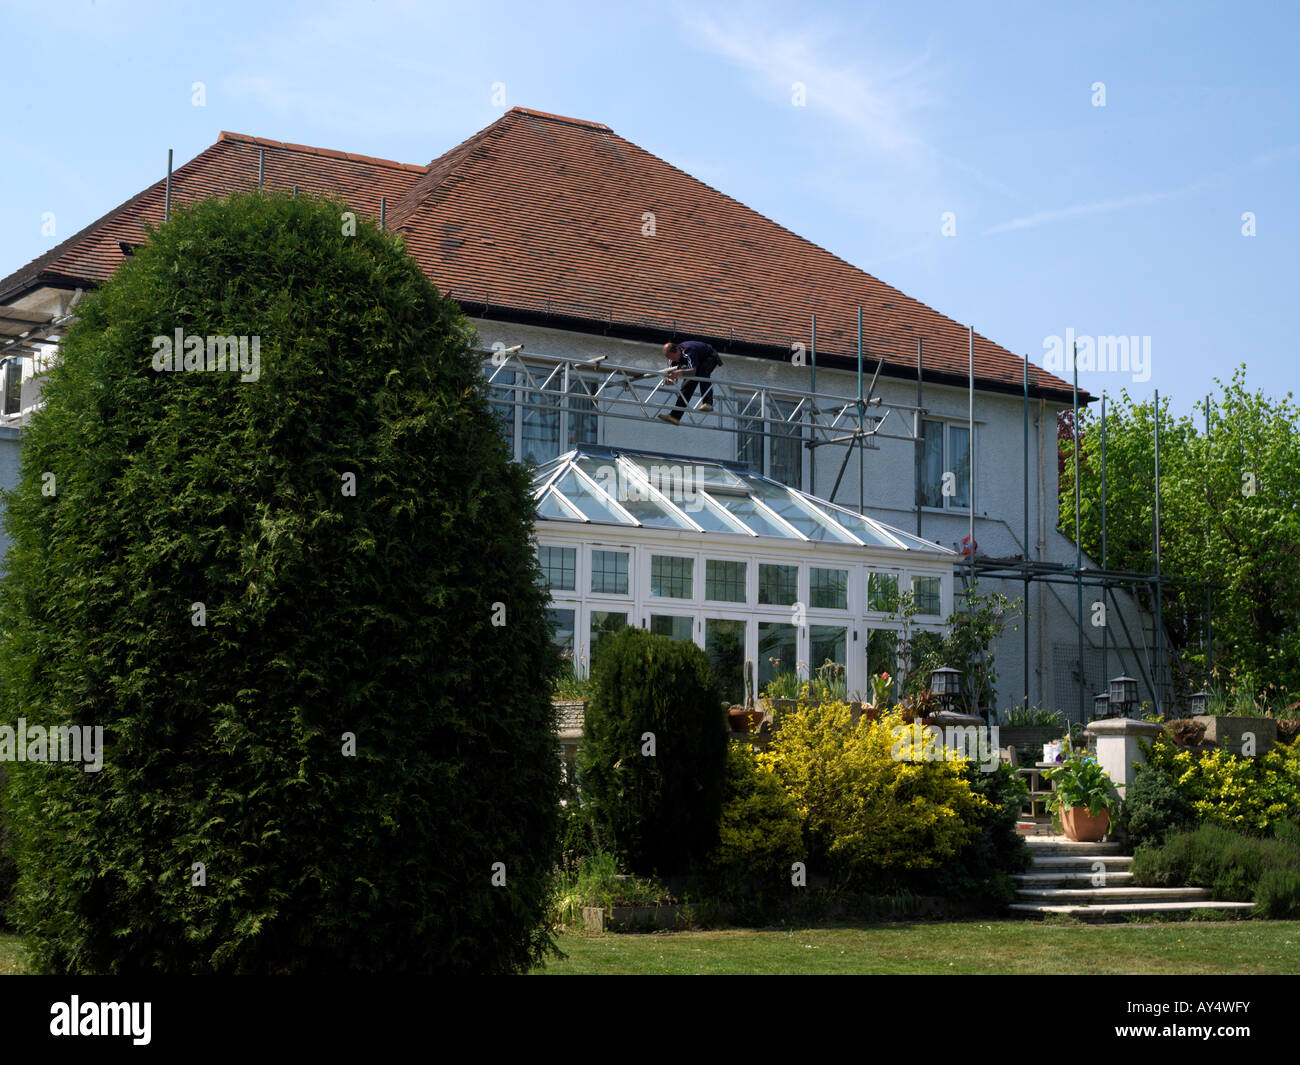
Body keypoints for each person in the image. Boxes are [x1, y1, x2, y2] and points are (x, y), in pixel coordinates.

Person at [656, 340, 722, 425]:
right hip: (695, 364)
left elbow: (693, 372)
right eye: (670, 358)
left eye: (673, 357)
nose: (673, 360)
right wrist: (670, 381)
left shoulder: (689, 351)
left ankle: (708, 403)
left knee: (703, 372)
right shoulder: (671, 360)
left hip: (708, 356)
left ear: (677, 350)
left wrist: (679, 373)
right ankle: (675, 416)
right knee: (687, 385)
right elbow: (674, 379)